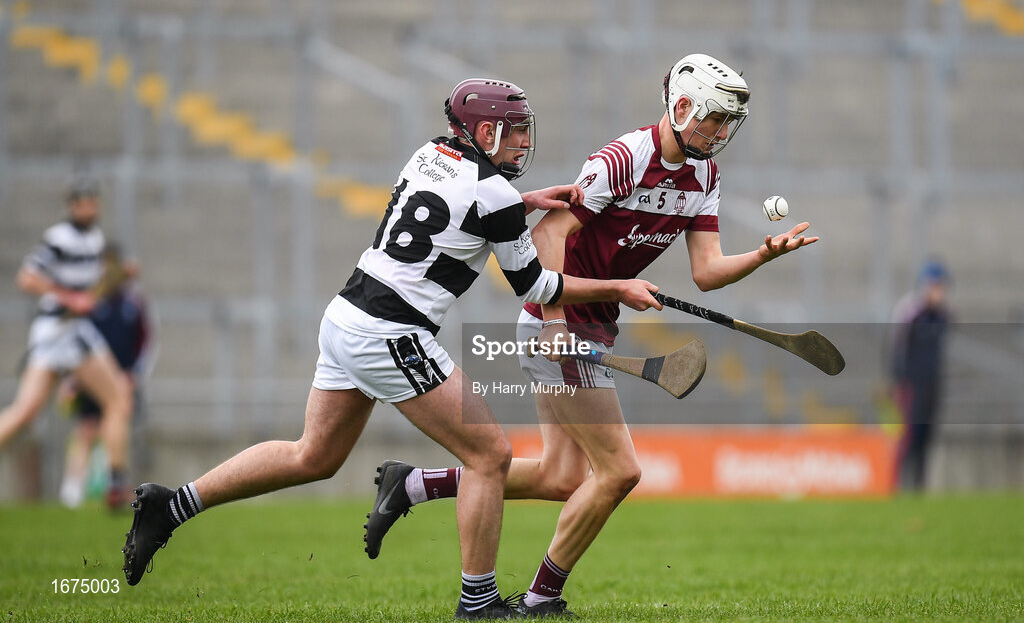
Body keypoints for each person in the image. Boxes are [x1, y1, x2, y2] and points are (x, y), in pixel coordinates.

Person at [120, 78, 663, 619]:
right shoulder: (494, 194)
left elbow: (453, 210)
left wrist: (523, 202)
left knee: (313, 456)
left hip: (345, 317)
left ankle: (172, 505)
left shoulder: (430, 154)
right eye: (515, 131)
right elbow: (537, 287)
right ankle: (478, 602)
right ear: (484, 131)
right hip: (391, 332)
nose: (524, 141)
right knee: (489, 456)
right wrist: (619, 288)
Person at [363, 54, 820, 616]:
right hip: (560, 327)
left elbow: (707, 272)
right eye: (714, 118)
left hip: (594, 325)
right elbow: (549, 234)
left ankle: (413, 485)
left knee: (560, 477)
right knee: (621, 471)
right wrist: (556, 324)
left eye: (729, 122)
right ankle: (541, 598)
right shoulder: (624, 160)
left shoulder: (705, 178)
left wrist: (762, 255)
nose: (721, 132)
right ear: (682, 108)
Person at [0, 177, 135, 508]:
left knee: (117, 399)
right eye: (82, 203)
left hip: (75, 330)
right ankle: (116, 482)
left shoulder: (95, 238)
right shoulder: (59, 238)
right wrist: (68, 297)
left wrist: (118, 276)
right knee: (27, 412)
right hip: (57, 330)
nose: (88, 208)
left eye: (92, 202)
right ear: (71, 206)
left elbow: (92, 291)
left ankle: (116, 483)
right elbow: (27, 277)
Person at [59, 245, 156, 508]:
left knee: (115, 421)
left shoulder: (133, 302)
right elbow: (75, 343)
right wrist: (71, 379)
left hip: (122, 378)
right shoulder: (90, 300)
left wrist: (135, 374)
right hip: (89, 378)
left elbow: (146, 341)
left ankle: (114, 483)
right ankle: (72, 490)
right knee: (86, 430)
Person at [889, 259, 952, 492]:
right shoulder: (911, 312)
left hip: (931, 385)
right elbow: (897, 348)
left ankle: (919, 487)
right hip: (910, 386)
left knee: (926, 437)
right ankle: (897, 487)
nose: (938, 292)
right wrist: (898, 382)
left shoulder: (942, 316)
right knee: (908, 437)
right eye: (934, 286)